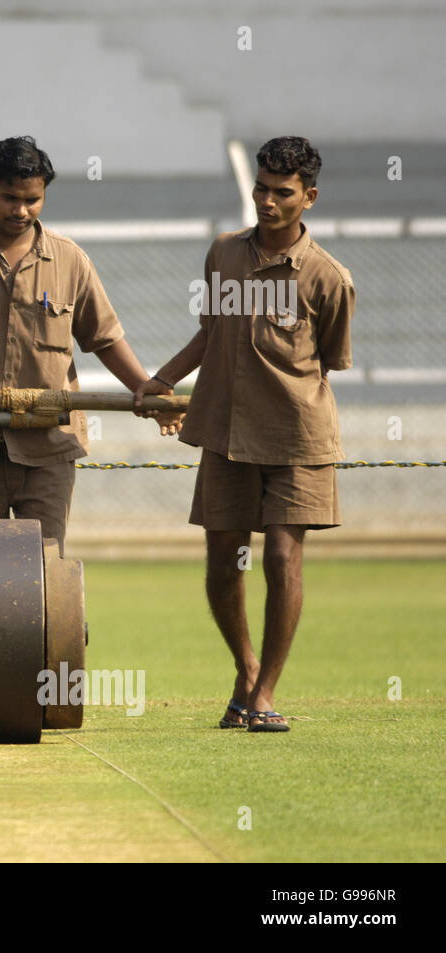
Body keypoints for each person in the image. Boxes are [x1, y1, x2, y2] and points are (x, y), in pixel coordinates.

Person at [134, 137, 354, 733]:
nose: (267, 201)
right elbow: (211, 332)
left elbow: (328, 360)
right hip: (225, 431)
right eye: (261, 188)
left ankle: (265, 695)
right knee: (225, 561)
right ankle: (246, 670)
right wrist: (160, 380)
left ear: (308, 197)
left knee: (283, 555)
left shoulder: (329, 278)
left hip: (298, 436)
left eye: (282, 193)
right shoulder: (224, 255)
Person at [0, 136, 169, 550]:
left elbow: (104, 338)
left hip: (48, 449)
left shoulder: (70, 260)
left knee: (42, 571)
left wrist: (145, 390)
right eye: (9, 198)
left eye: (33, 199)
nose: (21, 210)